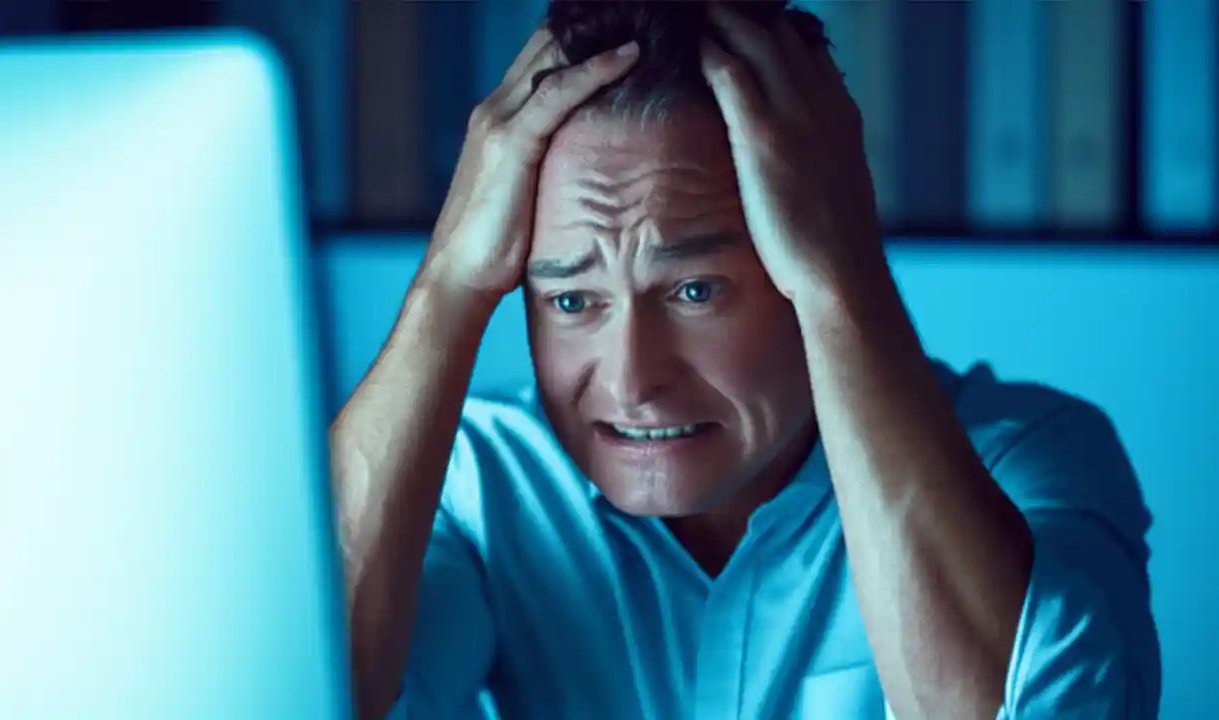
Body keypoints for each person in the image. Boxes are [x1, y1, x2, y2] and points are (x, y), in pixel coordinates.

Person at [330, 2, 1160, 718]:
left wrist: (847, 281)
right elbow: (308, 698)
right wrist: (447, 285)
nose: (630, 383)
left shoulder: (1028, 458)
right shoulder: (480, 484)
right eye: (572, 301)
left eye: (695, 292)